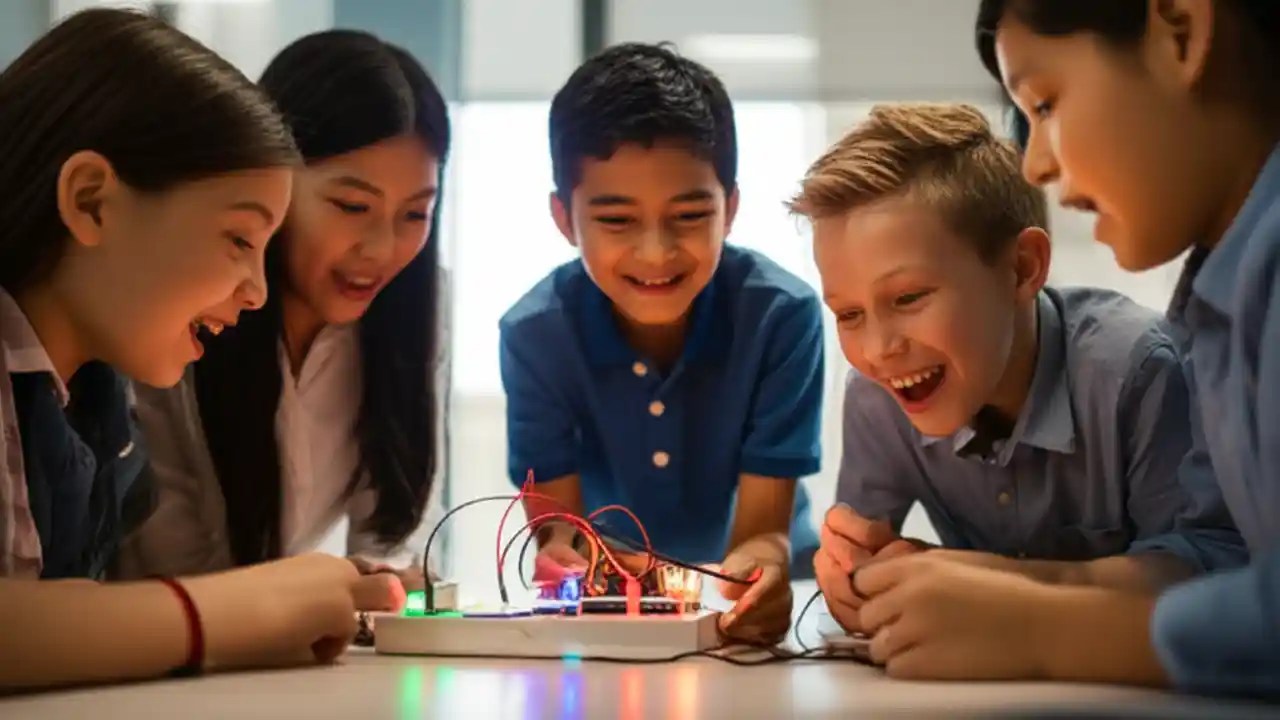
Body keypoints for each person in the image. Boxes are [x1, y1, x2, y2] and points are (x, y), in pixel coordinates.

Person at [850, 0, 1280, 697]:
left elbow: (1220, 571)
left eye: (1044, 104)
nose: (1035, 166)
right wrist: (972, 588)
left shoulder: (1151, 354)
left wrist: (1041, 631)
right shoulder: (1218, 304)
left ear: (1180, 30)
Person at [0, 8, 379, 690]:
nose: (258, 292)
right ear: (91, 202)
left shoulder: (92, 411)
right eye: (240, 240)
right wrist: (228, 612)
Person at [790, 103, 1244, 637]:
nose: (879, 348)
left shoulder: (1136, 372)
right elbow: (861, 558)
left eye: (908, 297)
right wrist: (856, 576)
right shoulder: (877, 395)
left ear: (1022, 268)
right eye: (848, 314)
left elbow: (1207, 571)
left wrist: (977, 580)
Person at [499, 43, 824, 642]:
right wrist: (568, 561)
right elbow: (558, 532)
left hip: (771, 597)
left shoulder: (782, 317)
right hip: (613, 605)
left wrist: (759, 575)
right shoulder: (534, 335)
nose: (656, 253)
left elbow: (762, 533)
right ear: (564, 220)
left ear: (730, 210)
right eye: (617, 220)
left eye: (690, 215)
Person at [114, 30, 450, 590]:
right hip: (152, 641)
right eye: (352, 205)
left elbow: (396, 529)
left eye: (415, 214)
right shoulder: (195, 299)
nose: (382, 249)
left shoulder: (418, 303)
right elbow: (167, 557)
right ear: (270, 180)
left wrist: (384, 584)